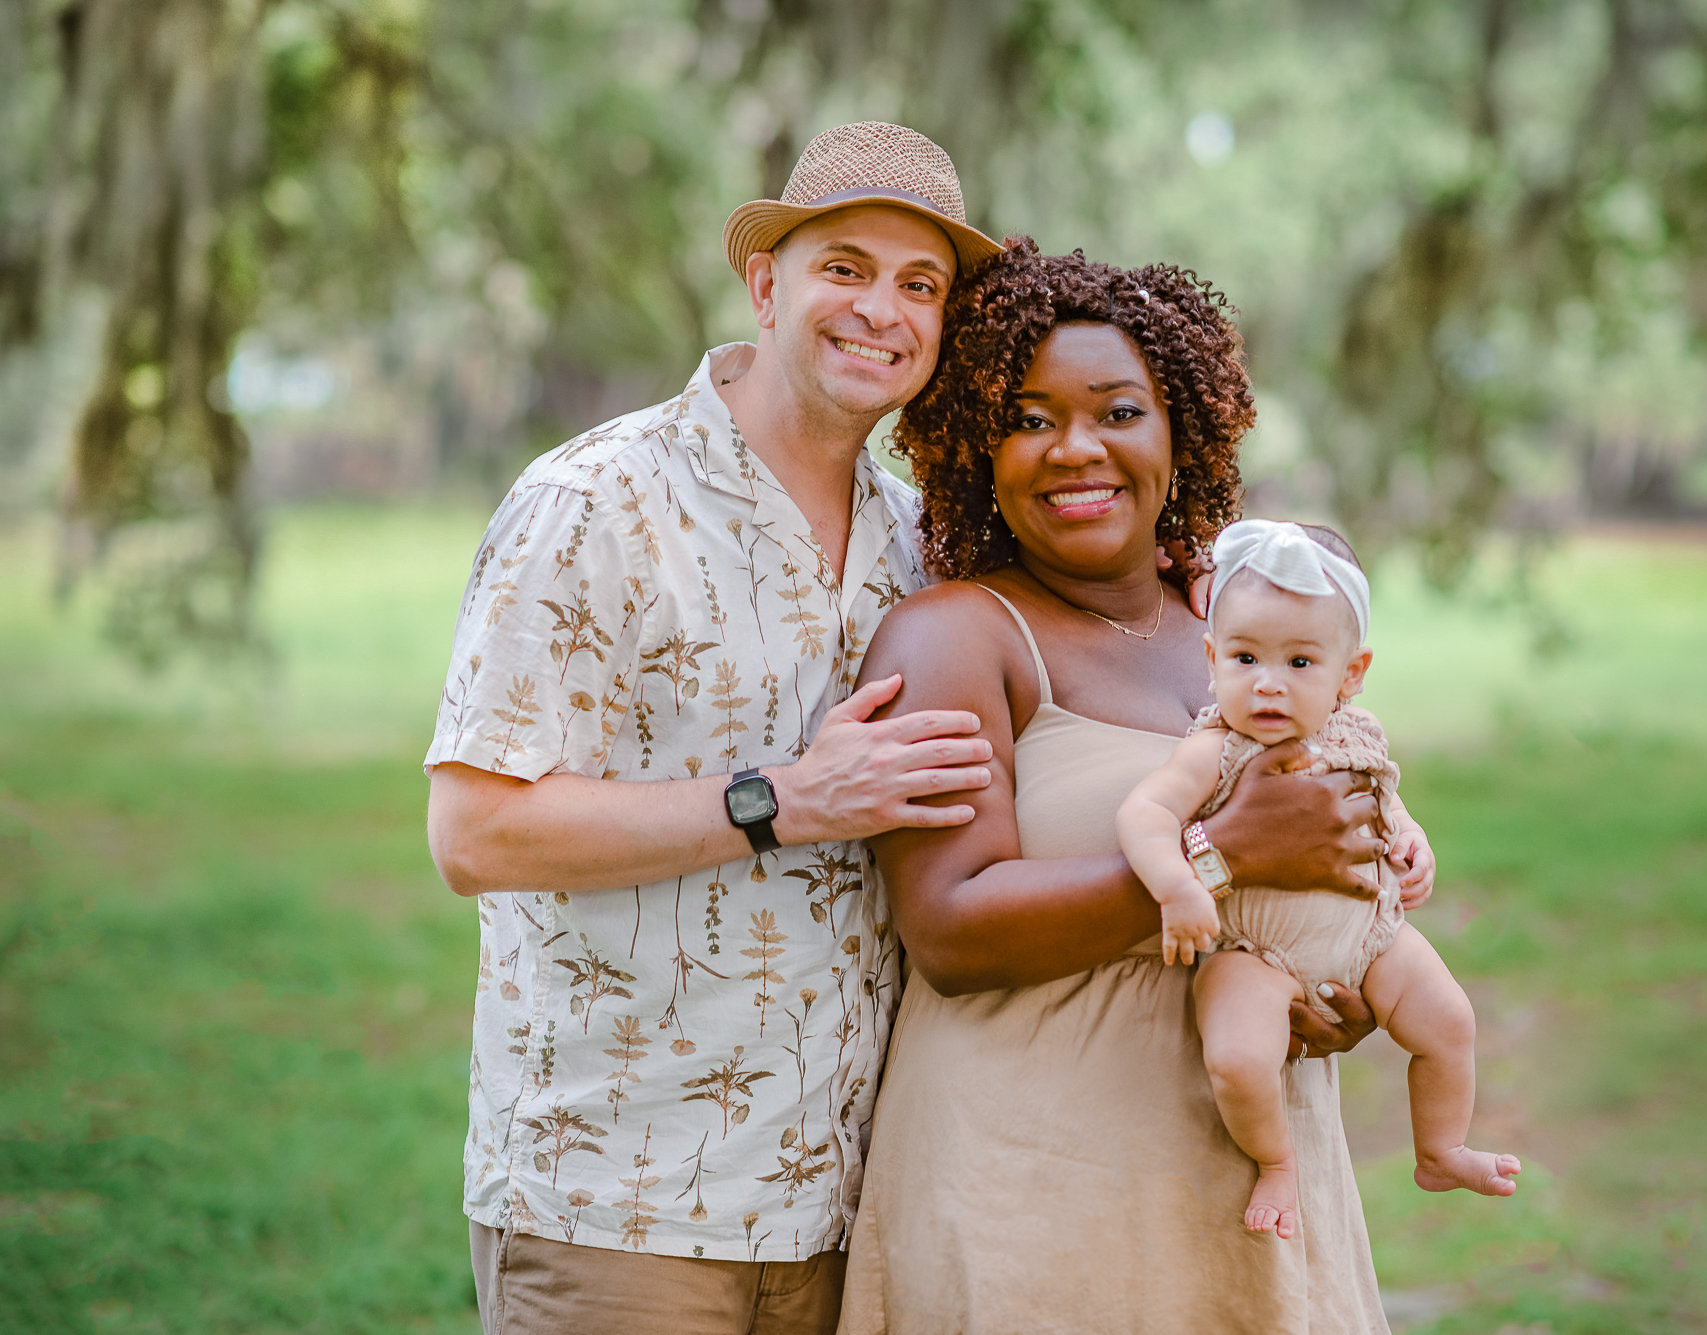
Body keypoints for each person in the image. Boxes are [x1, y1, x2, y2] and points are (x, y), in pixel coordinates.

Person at [424, 127, 1379, 1335]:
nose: (881, 309)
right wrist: (780, 799)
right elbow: (471, 833)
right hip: (627, 1187)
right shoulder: (596, 503)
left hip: (836, 1179)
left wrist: (1324, 954)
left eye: (919, 284)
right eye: (845, 267)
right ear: (766, 282)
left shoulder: (915, 538)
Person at [838, 241, 1397, 1334]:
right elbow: (947, 932)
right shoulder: (955, 636)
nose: (1073, 449)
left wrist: (1342, 989)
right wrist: (1226, 857)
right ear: (975, 450)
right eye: (1029, 418)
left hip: (1242, 1189)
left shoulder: (1234, 634)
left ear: (1178, 431)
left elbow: (1337, 845)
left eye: (1116, 412)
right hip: (1026, 1195)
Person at [1119, 518, 1520, 1245]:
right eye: (1245, 657)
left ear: (1351, 673)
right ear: (1212, 659)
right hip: (1255, 951)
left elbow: (1384, 803)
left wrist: (1412, 843)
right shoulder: (1215, 749)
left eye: (1300, 662)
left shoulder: (1357, 735)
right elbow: (1143, 813)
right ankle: (1276, 1161)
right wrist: (1177, 884)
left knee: (1449, 1020)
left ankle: (1440, 1148)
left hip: (1369, 937)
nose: (1268, 682)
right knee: (1239, 1059)